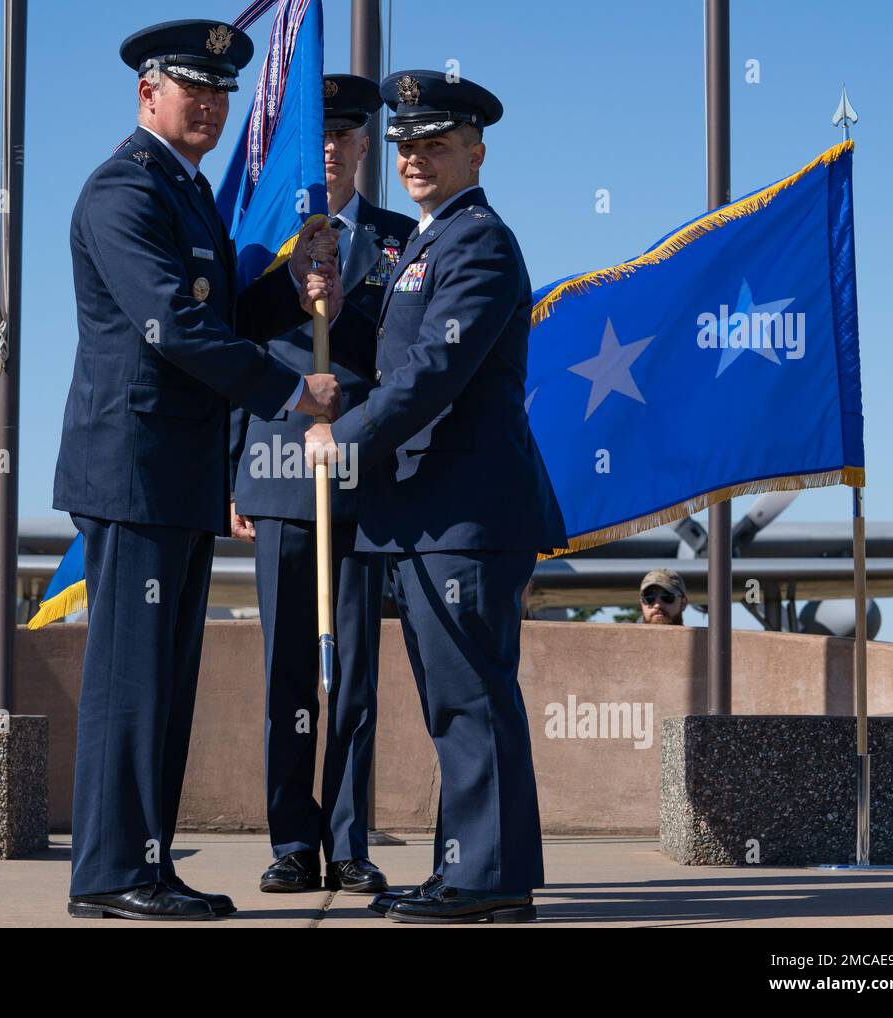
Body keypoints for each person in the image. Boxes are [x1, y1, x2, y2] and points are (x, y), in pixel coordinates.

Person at [52, 18, 343, 921]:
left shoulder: (184, 194)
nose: (211, 104)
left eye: (222, 92)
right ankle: (112, 875)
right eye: (194, 89)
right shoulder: (123, 192)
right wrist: (291, 395)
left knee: (164, 687)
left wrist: (286, 288)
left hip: (169, 476)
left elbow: (216, 310)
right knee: (132, 683)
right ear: (149, 94)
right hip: (132, 471)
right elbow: (171, 327)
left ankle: (143, 863)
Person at [306, 70, 567, 923]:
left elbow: (431, 377)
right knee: (452, 701)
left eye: (436, 145)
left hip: (464, 512)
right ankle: (470, 872)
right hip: (426, 514)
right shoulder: (428, 240)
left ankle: (487, 883)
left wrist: (341, 441)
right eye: (406, 147)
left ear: (476, 152)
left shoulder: (478, 241)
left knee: (470, 699)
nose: (416, 158)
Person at [228, 74, 416, 896]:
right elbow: (234, 355)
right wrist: (233, 473)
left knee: (355, 671)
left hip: (358, 475)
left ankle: (347, 839)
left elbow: (408, 357)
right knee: (287, 675)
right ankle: (290, 840)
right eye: (319, 135)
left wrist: (342, 336)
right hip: (277, 474)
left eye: (345, 134)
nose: (332, 148)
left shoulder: (399, 238)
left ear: (365, 144)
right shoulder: (261, 236)